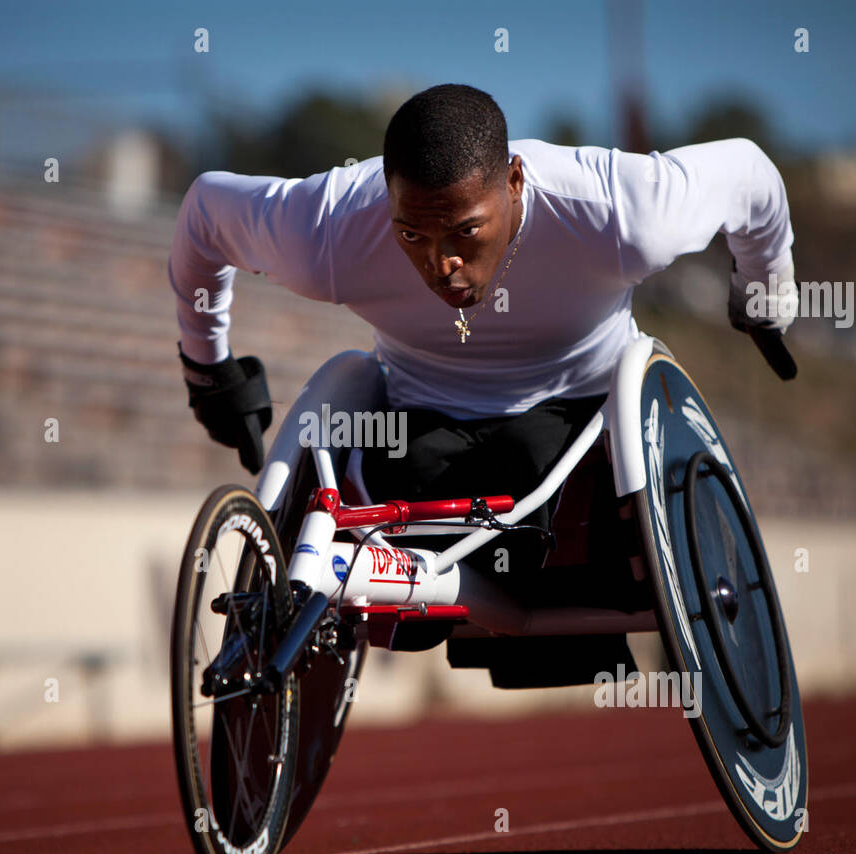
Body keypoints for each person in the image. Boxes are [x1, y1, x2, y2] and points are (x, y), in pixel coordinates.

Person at [168, 82, 797, 615]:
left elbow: (749, 174)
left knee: (531, 461)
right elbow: (204, 216)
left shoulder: (620, 212)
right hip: (422, 418)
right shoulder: (328, 228)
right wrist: (208, 371)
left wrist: (767, 295)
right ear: (386, 198)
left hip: (581, 414)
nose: (442, 263)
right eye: (412, 233)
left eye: (466, 231)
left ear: (515, 181)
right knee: (404, 469)